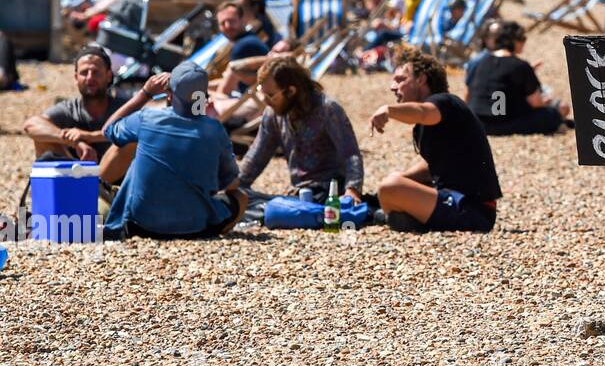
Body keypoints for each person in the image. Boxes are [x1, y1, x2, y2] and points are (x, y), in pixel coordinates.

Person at [101, 62, 248, 240]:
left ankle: (109, 191)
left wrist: (144, 93)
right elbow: (232, 184)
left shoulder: (147, 118)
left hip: (140, 226)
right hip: (196, 228)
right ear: (203, 96)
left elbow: (108, 130)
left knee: (137, 158)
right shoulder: (214, 130)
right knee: (241, 198)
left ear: (169, 94)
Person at [369, 44, 501, 233]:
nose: (393, 87)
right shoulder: (433, 123)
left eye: (400, 80)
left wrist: (388, 110)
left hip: (473, 210)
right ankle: (402, 218)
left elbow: (423, 112)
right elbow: (433, 165)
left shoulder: (445, 103)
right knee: (393, 183)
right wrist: (403, 178)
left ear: (421, 79)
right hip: (455, 201)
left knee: (390, 187)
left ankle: (404, 218)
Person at [237, 56, 364, 202]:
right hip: (301, 194)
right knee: (246, 201)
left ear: (290, 91)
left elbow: (350, 154)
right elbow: (257, 155)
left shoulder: (327, 109)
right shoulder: (273, 114)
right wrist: (236, 185)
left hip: (330, 192)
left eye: (270, 95)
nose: (266, 101)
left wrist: (352, 190)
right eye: (262, 93)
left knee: (274, 209)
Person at [23, 44, 134, 186]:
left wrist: (90, 136)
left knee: (132, 138)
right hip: (75, 178)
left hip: (117, 185)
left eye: (96, 72)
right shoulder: (69, 108)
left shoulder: (123, 107)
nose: (90, 78)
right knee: (43, 137)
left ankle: (94, 187)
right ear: (76, 78)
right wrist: (73, 141)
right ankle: (84, 188)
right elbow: (31, 125)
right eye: (84, 73)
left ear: (109, 76)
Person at [467, 22, 569, 135]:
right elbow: (536, 103)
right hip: (501, 123)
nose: (524, 42)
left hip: (477, 122)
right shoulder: (520, 65)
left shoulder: (482, 62)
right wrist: (546, 103)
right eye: (522, 38)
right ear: (513, 41)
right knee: (555, 112)